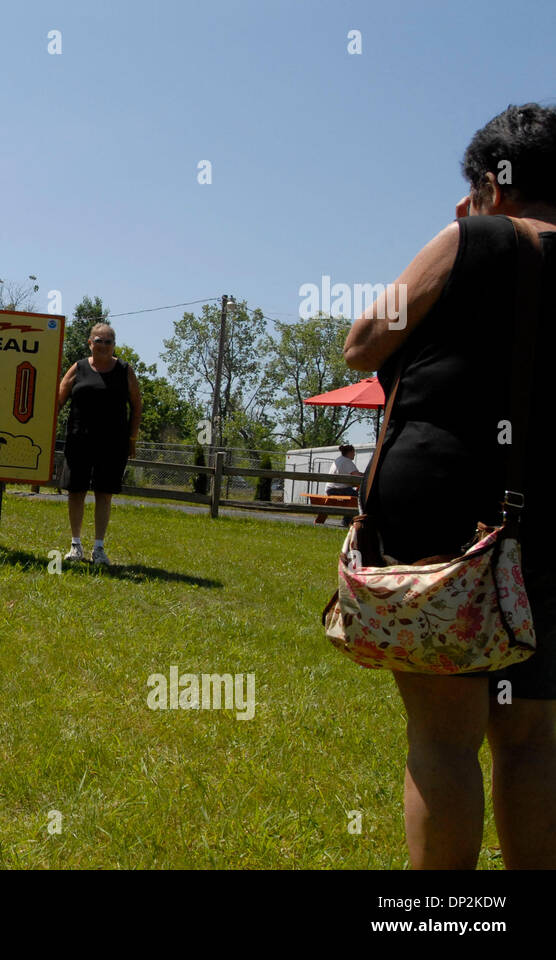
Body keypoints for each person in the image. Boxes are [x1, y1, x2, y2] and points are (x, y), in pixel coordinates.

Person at [344, 102, 556, 869]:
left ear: (492, 185)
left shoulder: (475, 236)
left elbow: (362, 342)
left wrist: (467, 230)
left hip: (442, 509)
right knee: (531, 739)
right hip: (540, 519)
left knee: (442, 737)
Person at [56, 322, 142, 565]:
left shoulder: (125, 370)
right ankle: (75, 545)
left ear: (114, 345)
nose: (103, 346)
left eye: (108, 342)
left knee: (104, 494)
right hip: (78, 440)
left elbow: (137, 405)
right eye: (98, 340)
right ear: (89, 343)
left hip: (112, 443)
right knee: (76, 491)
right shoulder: (78, 368)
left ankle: (99, 548)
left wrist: (132, 437)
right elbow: (59, 400)